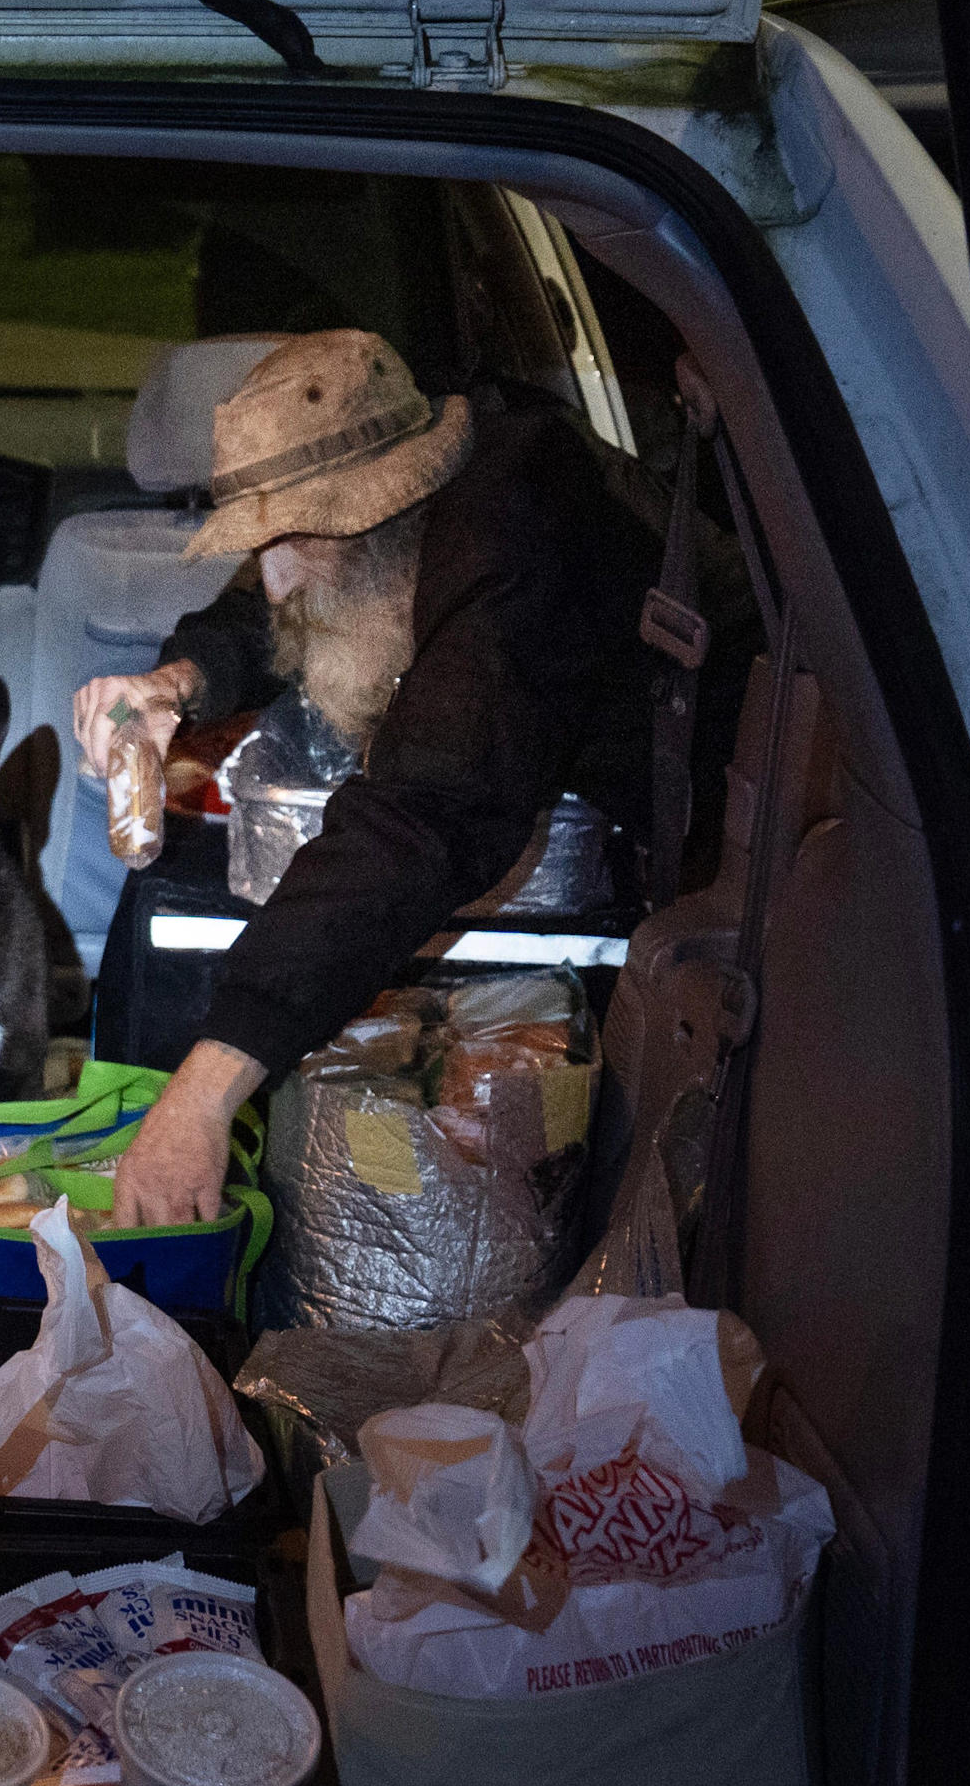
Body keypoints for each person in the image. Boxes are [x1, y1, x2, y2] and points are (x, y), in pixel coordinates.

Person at [71, 327, 672, 1228]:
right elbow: (264, 602)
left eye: (290, 544)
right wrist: (173, 685)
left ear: (375, 512)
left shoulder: (515, 545)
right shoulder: (396, 503)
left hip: (728, 820)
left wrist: (203, 1091)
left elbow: (417, 821)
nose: (272, 585)